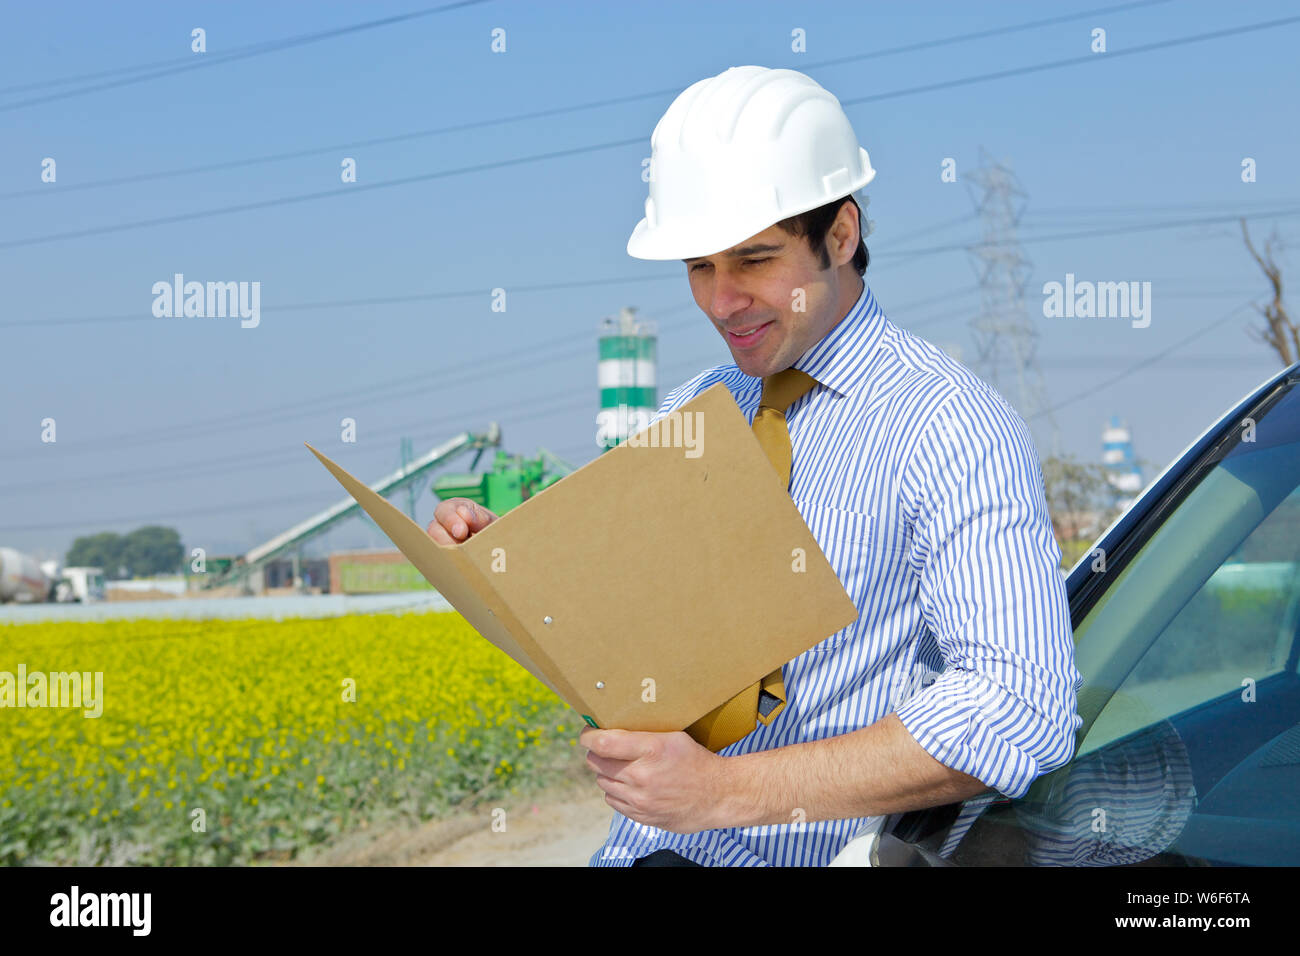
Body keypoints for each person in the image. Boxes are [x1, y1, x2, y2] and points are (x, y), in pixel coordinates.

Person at [428, 65, 1083, 867]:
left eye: (753, 259)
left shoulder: (949, 427)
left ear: (841, 235)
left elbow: (1017, 708)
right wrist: (519, 571)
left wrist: (720, 794)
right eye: (699, 268)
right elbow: (637, 647)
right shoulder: (694, 407)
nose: (720, 301)